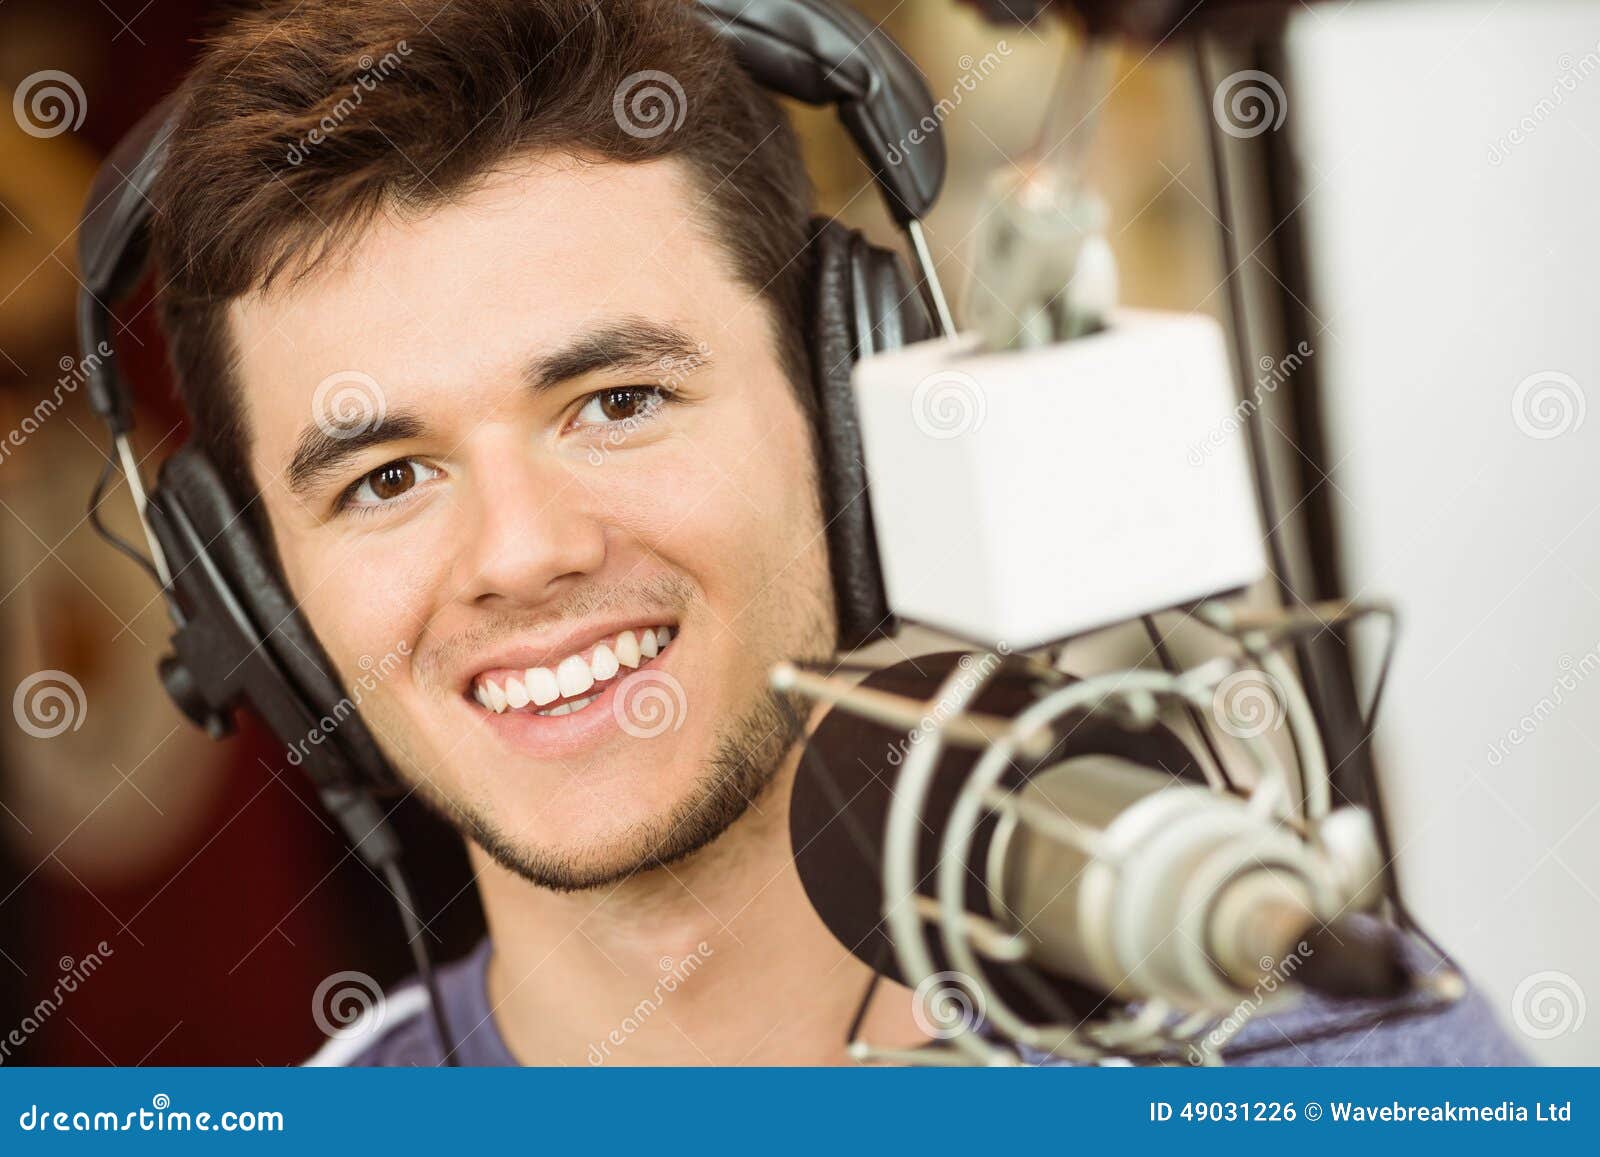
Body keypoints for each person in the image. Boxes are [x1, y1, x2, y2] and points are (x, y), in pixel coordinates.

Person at [146, 0, 1524, 1067]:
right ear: (258, 591)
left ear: (846, 413)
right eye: (384, 477)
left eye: (616, 400)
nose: (522, 552)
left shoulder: (1335, 1056)